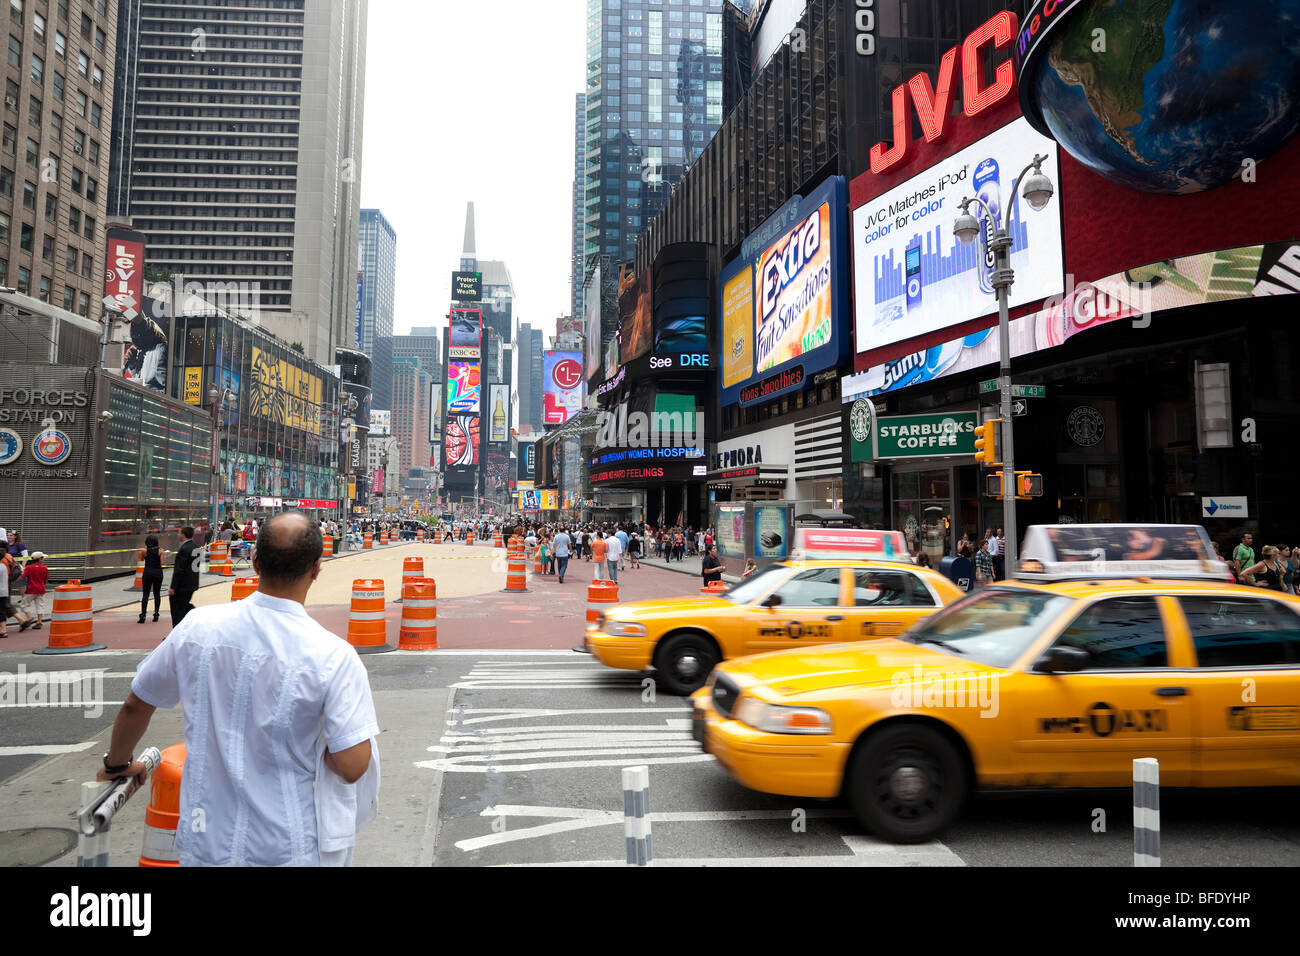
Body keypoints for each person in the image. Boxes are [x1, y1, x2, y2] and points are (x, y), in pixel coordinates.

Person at [97, 512, 379, 866]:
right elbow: (354, 765)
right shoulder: (334, 656)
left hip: (204, 843)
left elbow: (137, 703)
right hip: (286, 844)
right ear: (316, 569)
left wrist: (117, 763)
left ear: (256, 562)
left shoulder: (198, 627)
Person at [169, 526, 201, 626]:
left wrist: (173, 586)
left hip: (182, 585)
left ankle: (176, 633)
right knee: (183, 606)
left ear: (183, 534)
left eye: (179, 533)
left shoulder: (184, 549)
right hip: (192, 583)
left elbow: (179, 570)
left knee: (176, 610)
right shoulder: (196, 547)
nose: (178, 535)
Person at [138, 535, 166, 624]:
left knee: (145, 594)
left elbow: (142, 559)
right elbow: (162, 563)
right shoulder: (161, 551)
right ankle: (156, 614)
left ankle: (143, 615)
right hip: (158, 573)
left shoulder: (144, 551)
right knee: (157, 594)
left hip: (147, 573)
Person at [1, 542, 17, 638]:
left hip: (2, 588)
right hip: (5, 587)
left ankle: (3, 630)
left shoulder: (2, 562)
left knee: (3, 607)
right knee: (4, 606)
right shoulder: (9, 557)